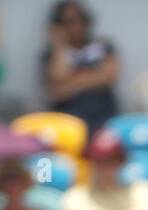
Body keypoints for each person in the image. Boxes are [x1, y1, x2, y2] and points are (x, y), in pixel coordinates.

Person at [42, 1, 119, 134]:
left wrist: (71, 81)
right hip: (67, 123)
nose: (77, 27)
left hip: (104, 119)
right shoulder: (52, 54)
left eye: (80, 20)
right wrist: (59, 45)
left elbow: (108, 77)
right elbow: (58, 92)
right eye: (69, 22)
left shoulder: (103, 45)